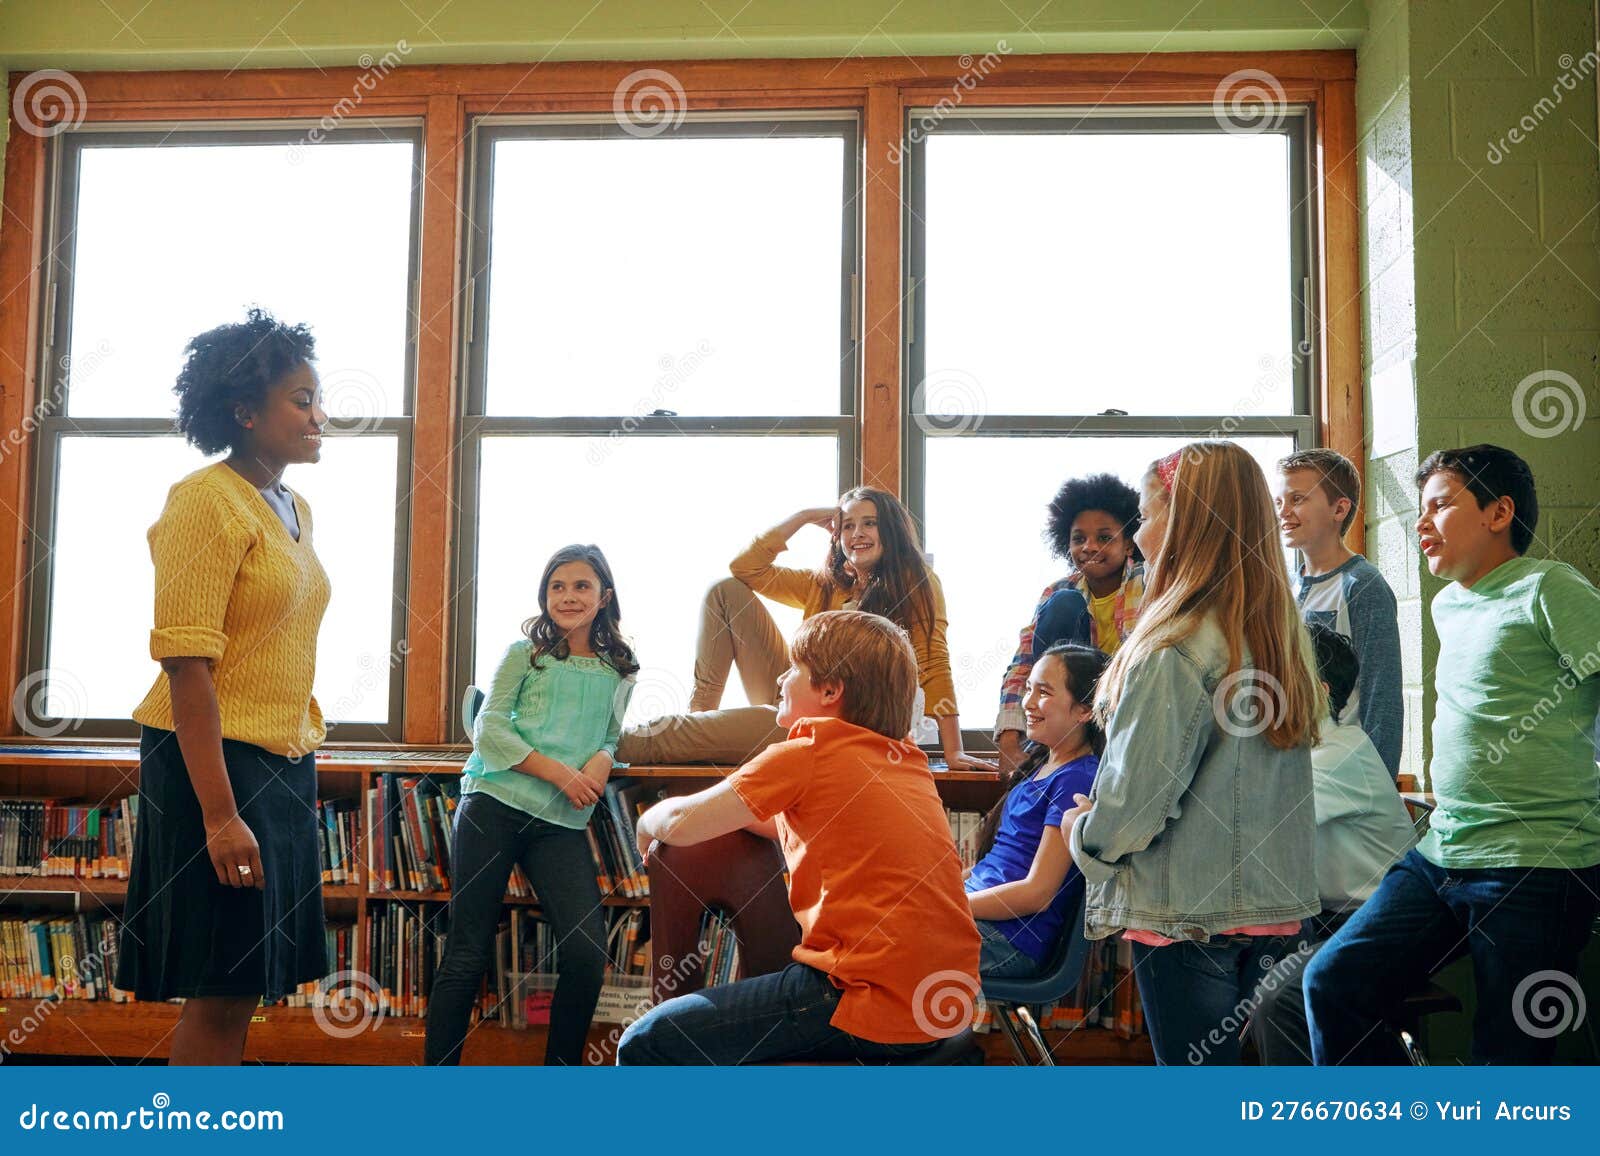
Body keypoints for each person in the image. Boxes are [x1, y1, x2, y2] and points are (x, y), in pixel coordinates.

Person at [1305, 445, 1600, 1064]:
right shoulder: (1448, 603)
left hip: (1534, 861)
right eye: (1420, 508)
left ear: (1499, 513)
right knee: (1333, 982)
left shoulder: (1550, 586)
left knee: (1508, 1055)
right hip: (1443, 850)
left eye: (1440, 505)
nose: (1421, 522)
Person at [615, 610, 981, 1064]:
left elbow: (680, 823)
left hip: (863, 997)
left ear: (830, 691)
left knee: (645, 1041)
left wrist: (647, 820)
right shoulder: (905, 761)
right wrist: (736, 813)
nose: (781, 678)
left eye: (793, 669)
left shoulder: (808, 751)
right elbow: (799, 824)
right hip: (943, 1005)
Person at [117, 309, 332, 1065]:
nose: (320, 416)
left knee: (245, 986)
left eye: (318, 399)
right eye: (302, 401)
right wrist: (218, 815)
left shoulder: (293, 507)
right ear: (244, 412)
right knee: (220, 985)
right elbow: (187, 665)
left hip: (278, 763)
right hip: (212, 764)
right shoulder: (204, 500)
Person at [1064, 441, 1322, 1066]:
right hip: (1279, 912)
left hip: (1187, 917)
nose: (1138, 533)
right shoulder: (1282, 638)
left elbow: (1136, 802)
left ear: (1185, 523)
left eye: (1147, 513)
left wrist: (1084, 834)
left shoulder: (1173, 646)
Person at [425, 545, 637, 1065]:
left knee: (587, 953)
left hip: (559, 824)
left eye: (581, 586)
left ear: (604, 597)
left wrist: (603, 760)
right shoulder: (524, 653)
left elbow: (611, 735)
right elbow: (489, 728)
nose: (568, 596)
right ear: (544, 597)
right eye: (556, 587)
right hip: (493, 805)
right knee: (466, 953)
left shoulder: (621, 669)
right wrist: (561, 774)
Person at [617, 487, 993, 772]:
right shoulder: (824, 585)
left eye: (869, 523)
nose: (857, 533)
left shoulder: (916, 581)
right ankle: (698, 714)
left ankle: (612, 745)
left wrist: (954, 750)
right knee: (725, 592)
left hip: (835, 723)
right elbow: (745, 569)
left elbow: (934, 661)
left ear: (891, 530)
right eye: (847, 525)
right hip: (793, 697)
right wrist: (801, 518)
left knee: (657, 737)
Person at [1247, 624, 1416, 1064]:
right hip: (1323, 921)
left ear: (1318, 693)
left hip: (1376, 924)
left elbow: (1253, 829)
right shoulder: (1293, 752)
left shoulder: (1340, 754)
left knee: (1276, 997)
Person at [967, 643, 1109, 978]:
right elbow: (996, 864)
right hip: (980, 918)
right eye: (1029, 688)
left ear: (1084, 711)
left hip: (1009, 939)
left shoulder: (1076, 778)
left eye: (1043, 692)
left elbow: (1037, 893)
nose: (1028, 702)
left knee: (875, 947)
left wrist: (946, 907)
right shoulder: (1041, 767)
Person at [994, 474, 1145, 775]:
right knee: (1064, 601)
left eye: (1104, 538)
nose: (1089, 547)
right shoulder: (1057, 592)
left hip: (1126, 716)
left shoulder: (1147, 582)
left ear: (1129, 544)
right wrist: (1009, 743)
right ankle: (1048, 745)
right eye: (1079, 539)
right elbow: (1022, 666)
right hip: (1071, 717)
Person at [1273, 448, 1404, 776]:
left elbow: (1382, 695)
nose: (1284, 511)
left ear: (1339, 509)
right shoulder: (1283, 589)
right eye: (1278, 502)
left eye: (1297, 499)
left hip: (1346, 772)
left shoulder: (1362, 585)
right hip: (1294, 769)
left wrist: (1380, 783)